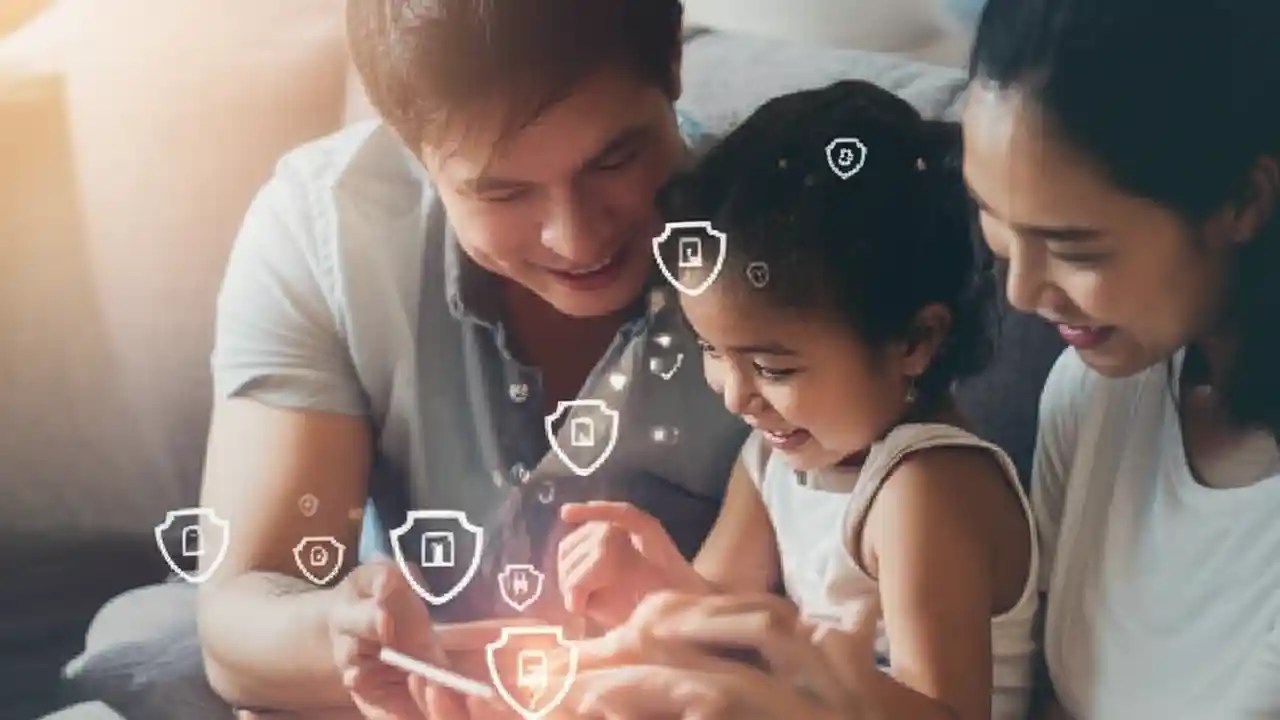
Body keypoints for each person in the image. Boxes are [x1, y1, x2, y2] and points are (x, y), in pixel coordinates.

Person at [195, 0, 746, 716]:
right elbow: (240, 615)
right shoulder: (325, 230)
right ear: (411, 146)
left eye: (615, 159)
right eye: (503, 191)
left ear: (673, 63)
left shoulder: (795, 246)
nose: (576, 239)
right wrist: (338, 631)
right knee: (137, 652)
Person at [556, 80, 1037, 719]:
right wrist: (652, 593)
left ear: (916, 341)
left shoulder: (923, 486)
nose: (736, 395)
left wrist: (784, 679)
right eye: (709, 350)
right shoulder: (778, 459)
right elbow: (722, 623)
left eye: (772, 366)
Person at [962, 0, 1280, 717]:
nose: (1021, 292)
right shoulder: (1094, 390)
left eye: (1075, 248)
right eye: (993, 218)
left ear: (1243, 200)